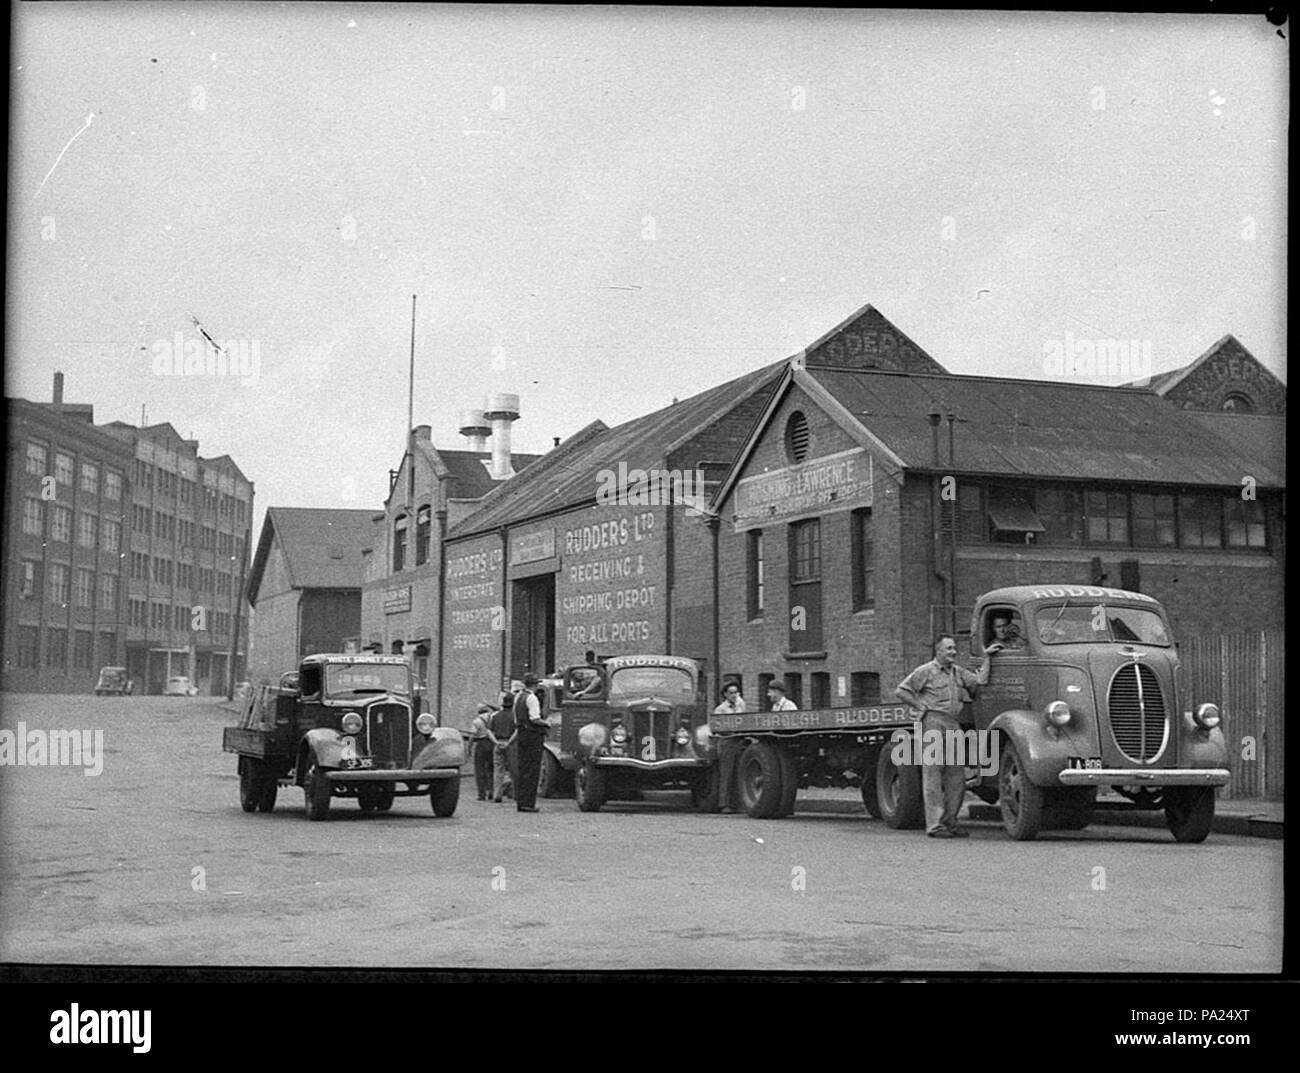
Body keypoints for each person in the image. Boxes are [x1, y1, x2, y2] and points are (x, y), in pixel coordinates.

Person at [895, 634, 999, 839]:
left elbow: (979, 682)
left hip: (952, 722)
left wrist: (987, 658)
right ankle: (934, 826)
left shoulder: (958, 673)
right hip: (932, 722)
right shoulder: (925, 671)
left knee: (956, 776)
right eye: (949, 648)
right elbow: (902, 690)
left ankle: (950, 822)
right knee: (933, 776)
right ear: (938, 651)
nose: (953, 652)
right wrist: (919, 705)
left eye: (954, 649)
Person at [513, 673, 550, 812]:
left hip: (522, 733)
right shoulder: (532, 698)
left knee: (523, 768)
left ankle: (521, 802)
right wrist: (546, 724)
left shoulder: (518, 697)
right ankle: (529, 803)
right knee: (532, 770)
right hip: (533, 734)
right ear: (535, 685)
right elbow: (535, 718)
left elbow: (516, 718)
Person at [712, 681, 746, 814]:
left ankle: (736, 804)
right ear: (725, 694)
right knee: (726, 774)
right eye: (731, 693)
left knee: (738, 772)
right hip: (727, 742)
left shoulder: (740, 706)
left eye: (736, 693)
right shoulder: (720, 709)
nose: (734, 695)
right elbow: (716, 727)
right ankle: (724, 804)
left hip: (739, 742)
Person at [489, 692, 517, 802]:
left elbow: (489, 731)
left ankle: (497, 794)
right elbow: (517, 731)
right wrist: (509, 742)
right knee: (514, 769)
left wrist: (495, 742)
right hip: (511, 744)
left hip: (498, 743)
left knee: (498, 770)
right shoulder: (514, 717)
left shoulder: (495, 716)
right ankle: (515, 793)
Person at [468, 702, 496, 801]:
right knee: (491, 768)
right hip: (492, 744)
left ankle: (481, 793)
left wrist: (469, 749)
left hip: (480, 744)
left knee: (480, 769)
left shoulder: (477, 721)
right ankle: (491, 790)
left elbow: (472, 736)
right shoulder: (493, 718)